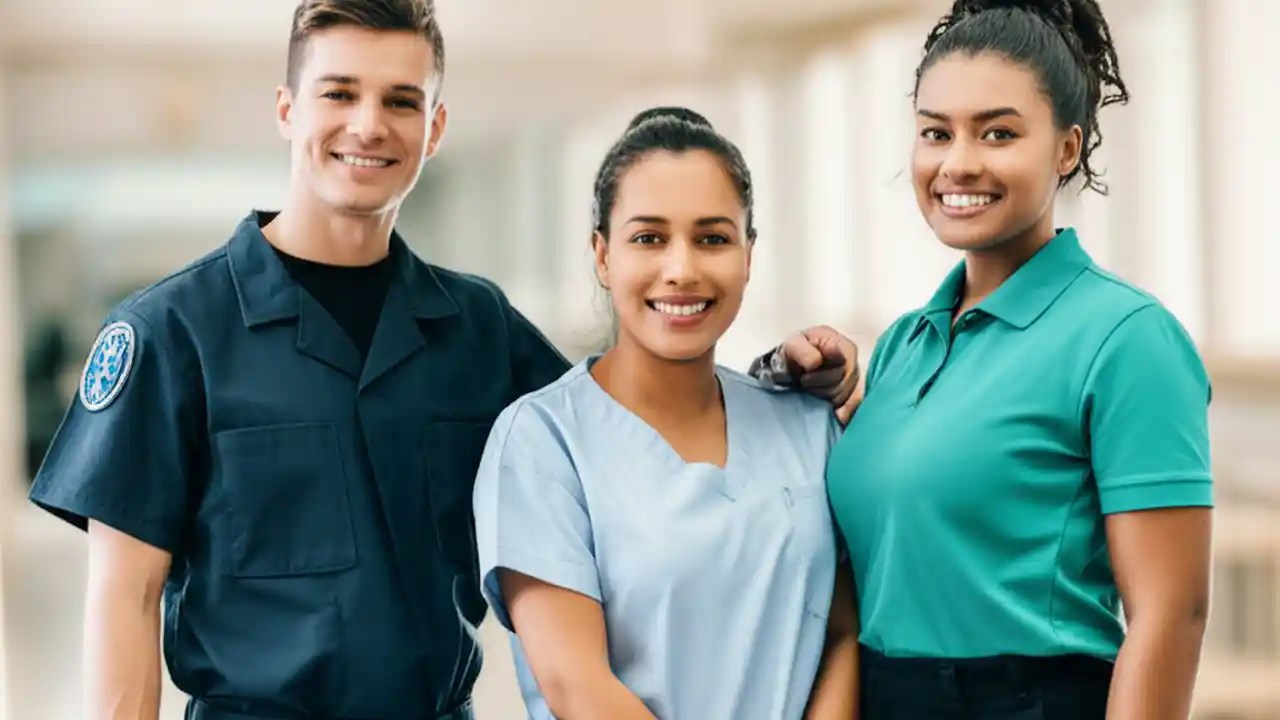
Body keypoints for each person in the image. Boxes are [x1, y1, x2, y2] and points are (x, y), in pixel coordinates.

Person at [27, 2, 861, 719]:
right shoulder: (175, 332)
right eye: (339, 93)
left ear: (435, 127)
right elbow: (125, 602)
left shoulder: (475, 326)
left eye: (400, 100)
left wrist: (778, 384)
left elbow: (630, 408)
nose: (368, 125)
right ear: (286, 109)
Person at [823, 1, 1213, 717]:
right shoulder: (903, 346)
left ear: (1067, 149)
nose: (958, 163)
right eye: (935, 133)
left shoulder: (1127, 338)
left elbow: (1171, 616)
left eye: (998, 133)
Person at [472, 108, 860, 720]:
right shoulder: (543, 443)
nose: (681, 269)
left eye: (712, 238)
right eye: (649, 237)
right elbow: (577, 689)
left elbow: (840, 633)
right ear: (602, 255)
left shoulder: (805, 427)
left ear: (748, 254)